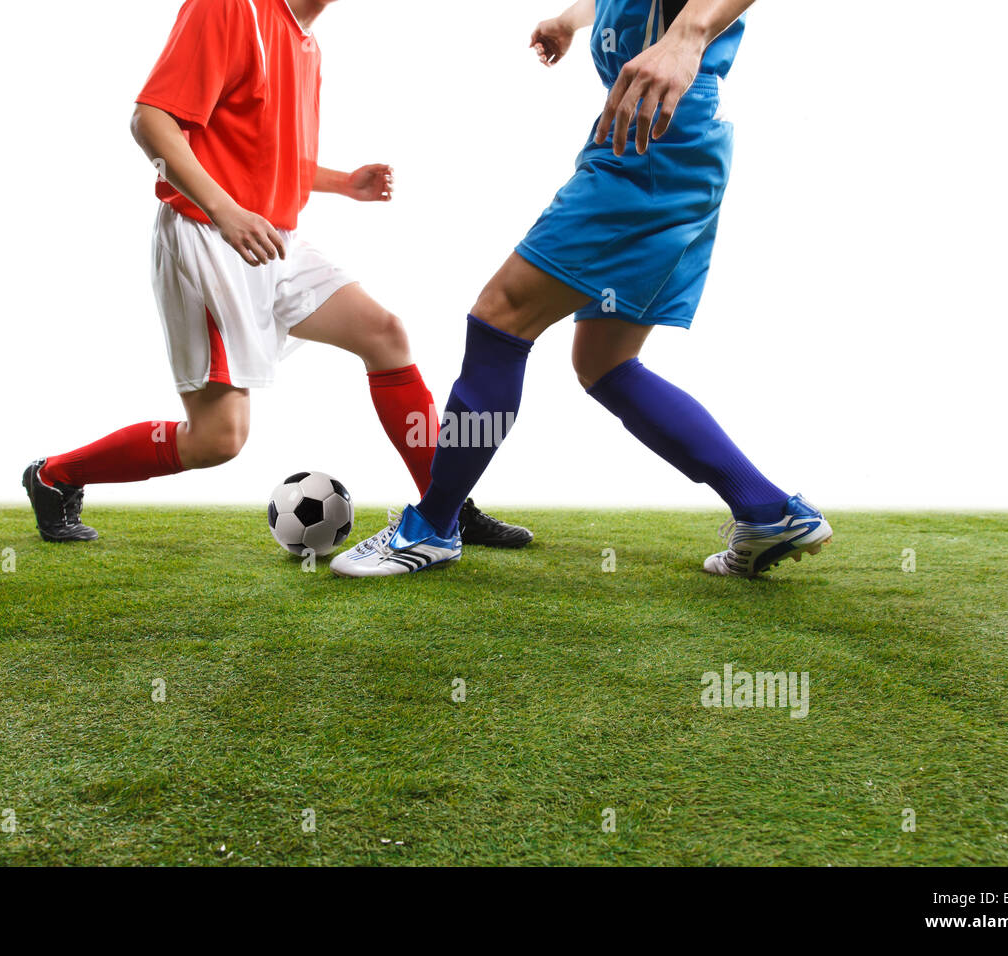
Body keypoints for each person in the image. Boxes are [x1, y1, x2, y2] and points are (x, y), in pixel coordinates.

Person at [333, 0, 830, 578]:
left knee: (501, 318)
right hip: (677, 147)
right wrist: (570, 20)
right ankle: (766, 509)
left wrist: (689, 34)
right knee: (605, 362)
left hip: (652, 145)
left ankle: (432, 526)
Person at [22, 0, 531, 550]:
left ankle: (444, 508)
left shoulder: (307, 43)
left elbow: (267, 153)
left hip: (270, 238)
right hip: (207, 238)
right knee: (217, 440)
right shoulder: (231, 9)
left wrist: (345, 183)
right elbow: (150, 120)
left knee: (384, 334)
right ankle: (55, 475)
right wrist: (224, 209)